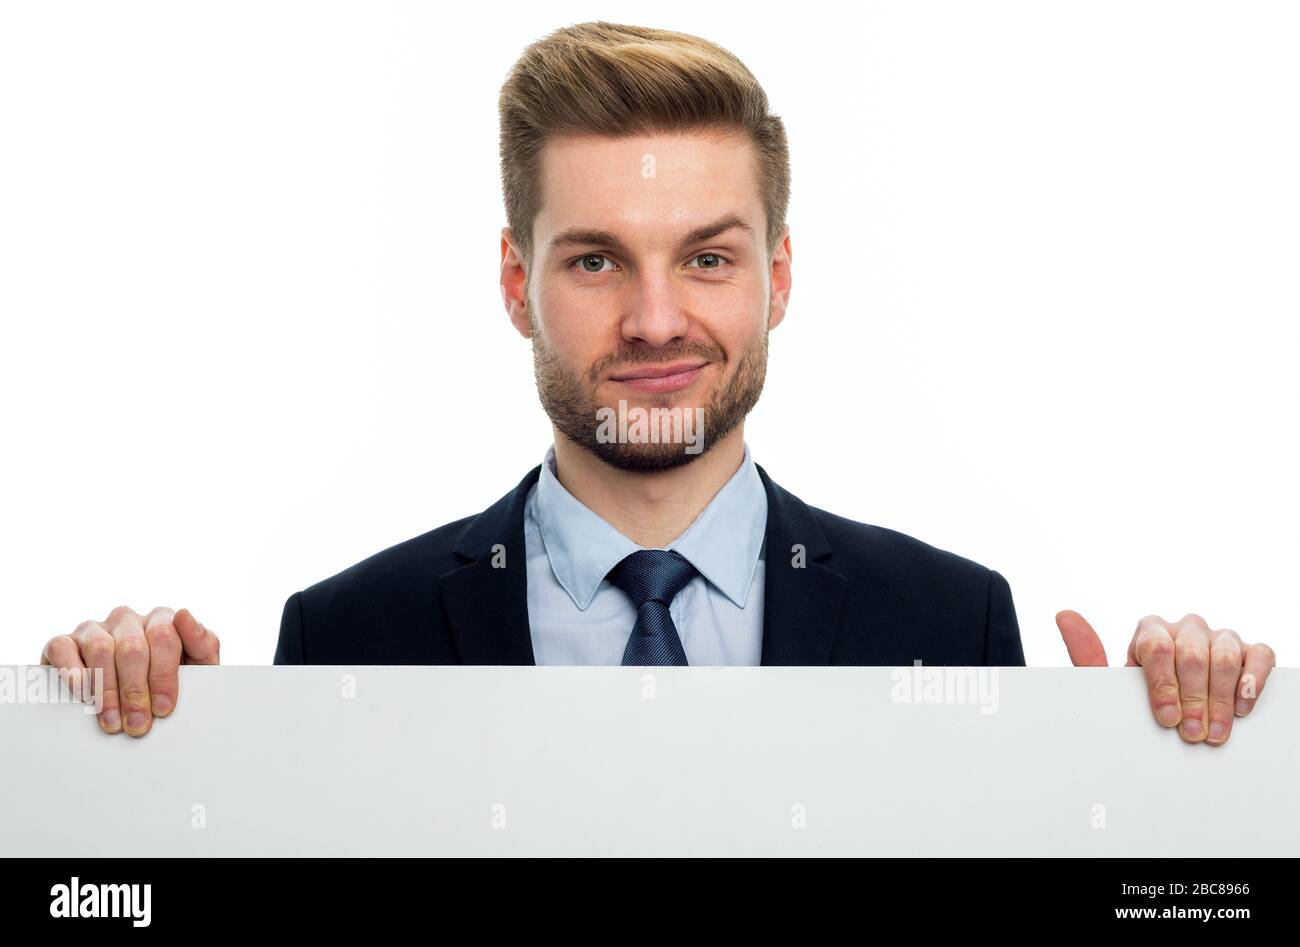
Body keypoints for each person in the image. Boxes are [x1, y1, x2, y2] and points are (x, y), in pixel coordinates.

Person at [39, 21, 1275, 744]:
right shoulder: (347, 638)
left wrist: (1170, 788)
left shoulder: (951, 626)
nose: (654, 318)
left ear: (777, 278)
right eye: (594, 260)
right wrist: (126, 759)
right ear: (516, 282)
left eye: (707, 256)